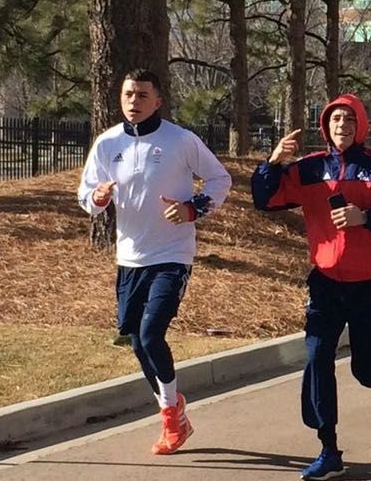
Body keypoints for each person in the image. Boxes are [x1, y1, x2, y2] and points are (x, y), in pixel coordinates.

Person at [252, 93, 371, 481]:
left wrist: (368, 218)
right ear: (325, 126)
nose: (342, 125)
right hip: (325, 282)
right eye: (334, 119)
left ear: (361, 125)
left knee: (366, 371)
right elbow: (264, 199)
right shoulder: (309, 169)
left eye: (349, 119)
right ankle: (328, 448)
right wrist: (272, 164)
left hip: (368, 283)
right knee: (316, 359)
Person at [78, 69, 233, 456]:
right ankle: (173, 407)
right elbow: (86, 197)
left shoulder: (180, 140)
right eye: (129, 94)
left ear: (158, 100)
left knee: (151, 334)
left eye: (143, 95)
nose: (134, 101)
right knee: (135, 339)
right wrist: (97, 197)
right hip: (130, 256)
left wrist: (192, 208)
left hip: (172, 255)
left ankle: (169, 416)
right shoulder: (107, 142)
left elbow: (220, 179)